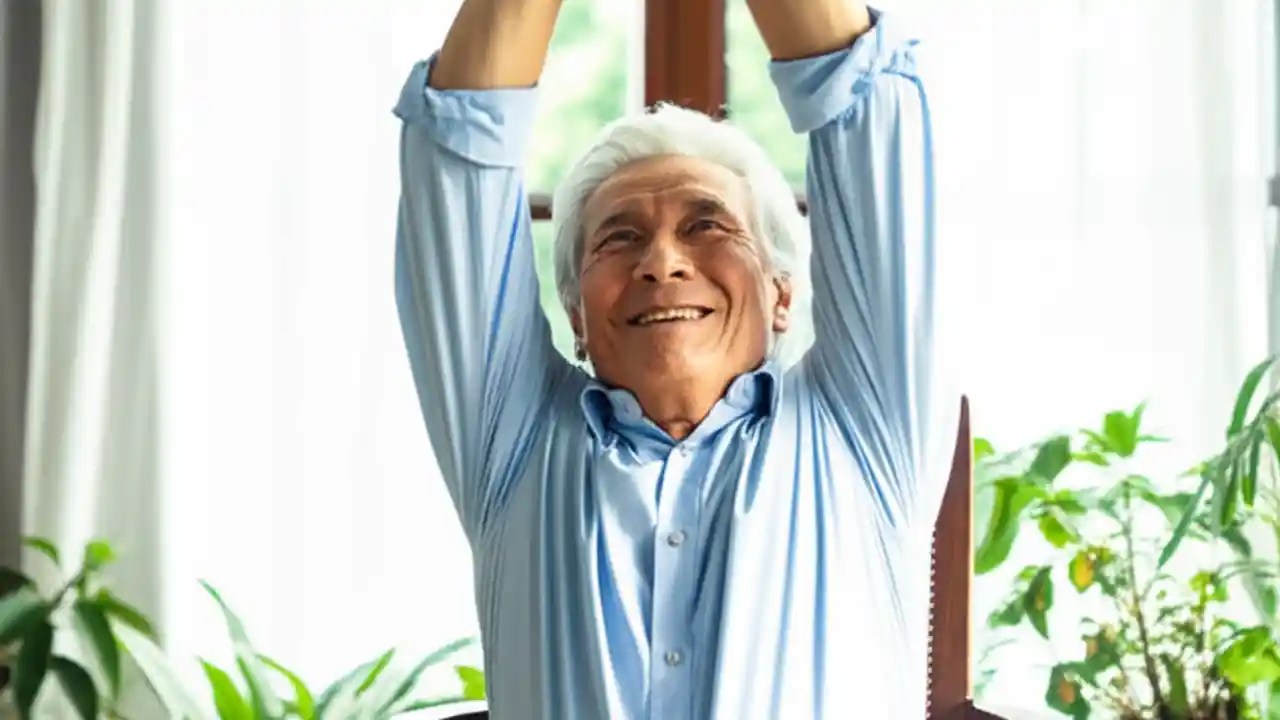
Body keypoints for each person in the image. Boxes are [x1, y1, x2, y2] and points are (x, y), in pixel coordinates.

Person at [393, 0, 958, 717]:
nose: (661, 262)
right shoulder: (515, 446)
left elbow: (868, 107)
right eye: (618, 239)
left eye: (707, 225)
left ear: (782, 295)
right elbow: (456, 151)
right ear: (576, 314)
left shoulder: (868, 429)